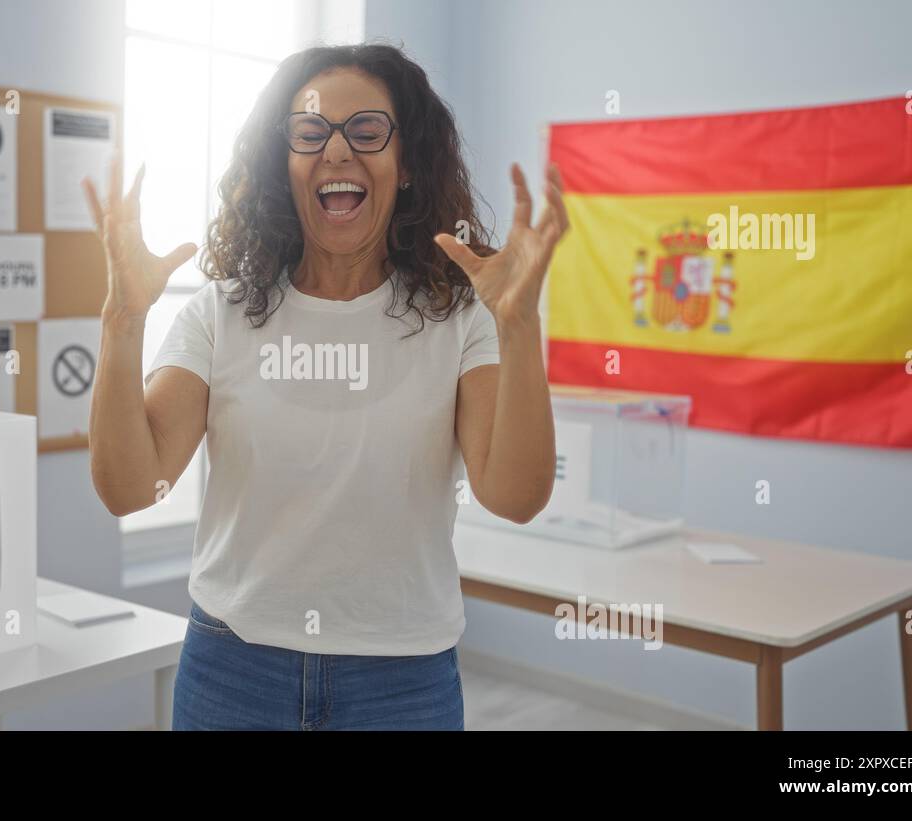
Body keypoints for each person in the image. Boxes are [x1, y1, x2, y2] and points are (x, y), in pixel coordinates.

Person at [83, 43, 567, 730]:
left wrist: (519, 326)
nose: (336, 150)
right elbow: (129, 486)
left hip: (402, 681)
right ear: (285, 165)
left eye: (367, 130)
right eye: (310, 132)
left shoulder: (461, 317)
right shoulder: (220, 312)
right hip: (234, 670)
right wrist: (122, 319)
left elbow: (515, 496)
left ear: (406, 166)